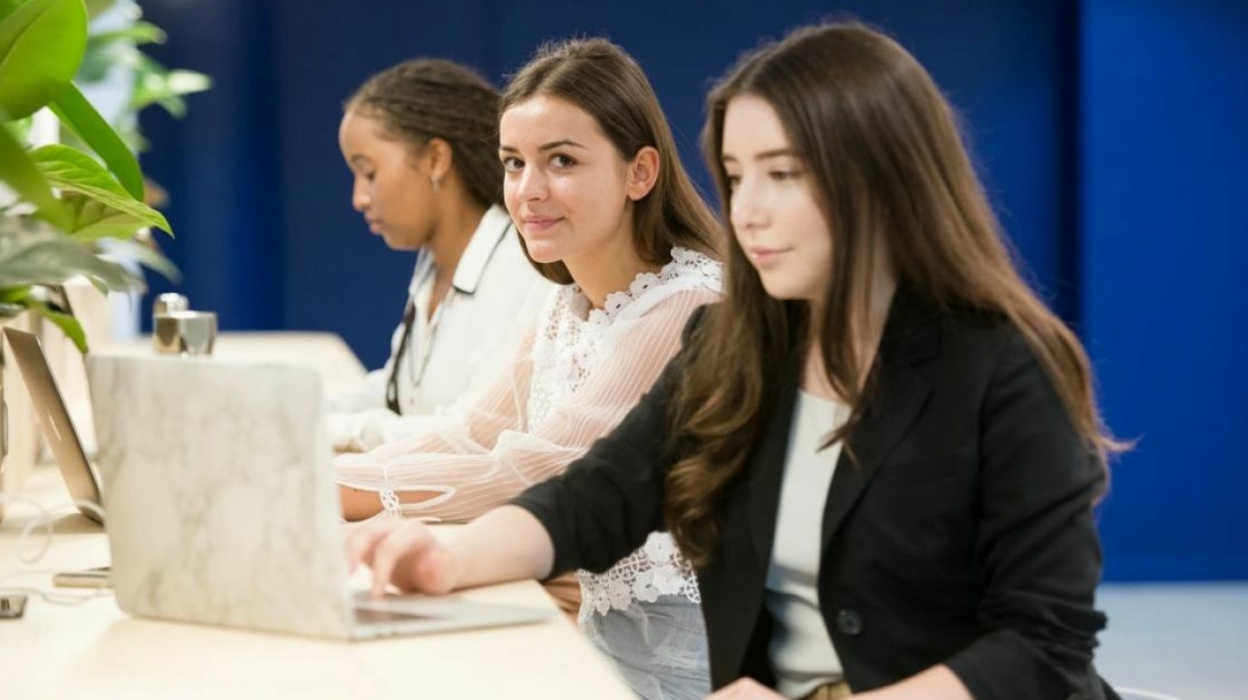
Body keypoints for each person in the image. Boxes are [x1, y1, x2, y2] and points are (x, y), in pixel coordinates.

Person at [344, 22, 1126, 700]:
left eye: (782, 174)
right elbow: (596, 496)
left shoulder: (1003, 367)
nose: (746, 209)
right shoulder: (739, 341)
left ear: (883, 182)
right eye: (736, 175)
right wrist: (445, 557)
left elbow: (1043, 642)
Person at [335, 39, 722, 700]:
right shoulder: (563, 300)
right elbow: (470, 432)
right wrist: (318, 477)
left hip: (667, 674)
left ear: (641, 173)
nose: (527, 191)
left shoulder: (686, 304)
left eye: (561, 161)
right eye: (514, 163)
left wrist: (334, 491)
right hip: (586, 640)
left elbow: (536, 468)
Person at [330, 59, 546, 453]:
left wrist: (334, 431)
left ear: (435, 160)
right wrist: (298, 414)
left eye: (369, 173)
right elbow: (399, 393)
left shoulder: (519, 266)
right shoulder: (435, 262)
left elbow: (477, 432)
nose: (358, 198)